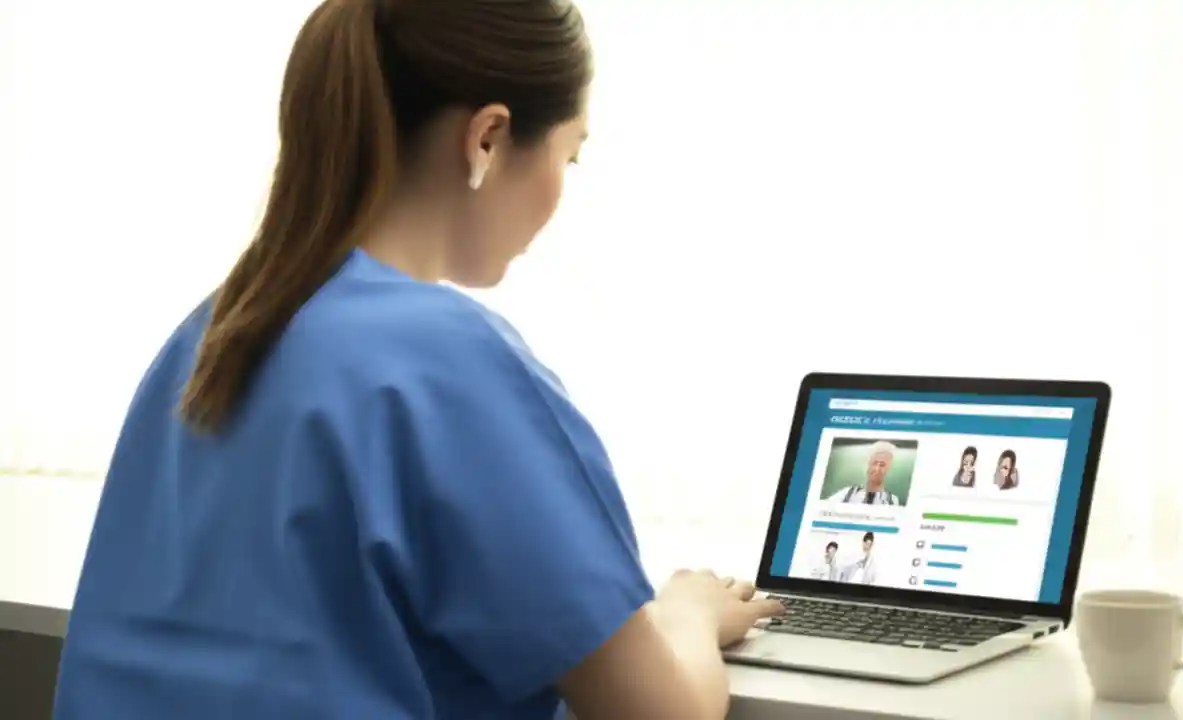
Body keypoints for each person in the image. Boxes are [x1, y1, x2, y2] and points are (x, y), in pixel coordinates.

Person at [52, 2, 782, 719]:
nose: (563, 186)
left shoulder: (211, 333)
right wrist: (686, 610)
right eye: (570, 153)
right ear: (488, 138)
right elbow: (659, 712)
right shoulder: (449, 365)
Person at [824, 440, 904, 505]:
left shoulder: (892, 501)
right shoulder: (847, 493)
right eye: (874, 463)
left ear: (888, 468)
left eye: (882, 465)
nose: (877, 469)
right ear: (868, 465)